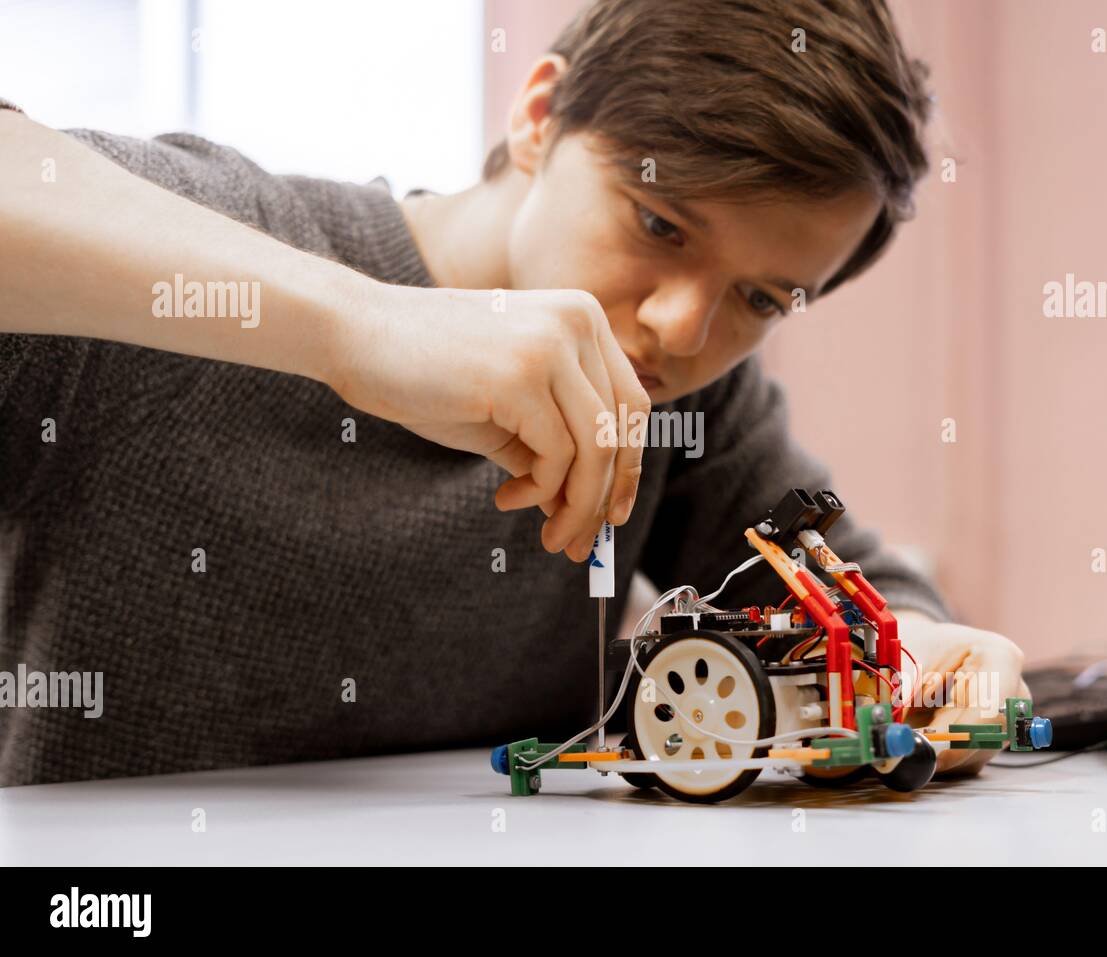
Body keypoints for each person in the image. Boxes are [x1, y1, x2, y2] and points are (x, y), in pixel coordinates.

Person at [0, 0, 1026, 787]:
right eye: (660, 226)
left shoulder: (684, 398)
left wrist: (923, 655)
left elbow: (854, 590)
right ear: (538, 117)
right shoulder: (205, 255)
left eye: (760, 297)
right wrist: (351, 325)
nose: (683, 328)